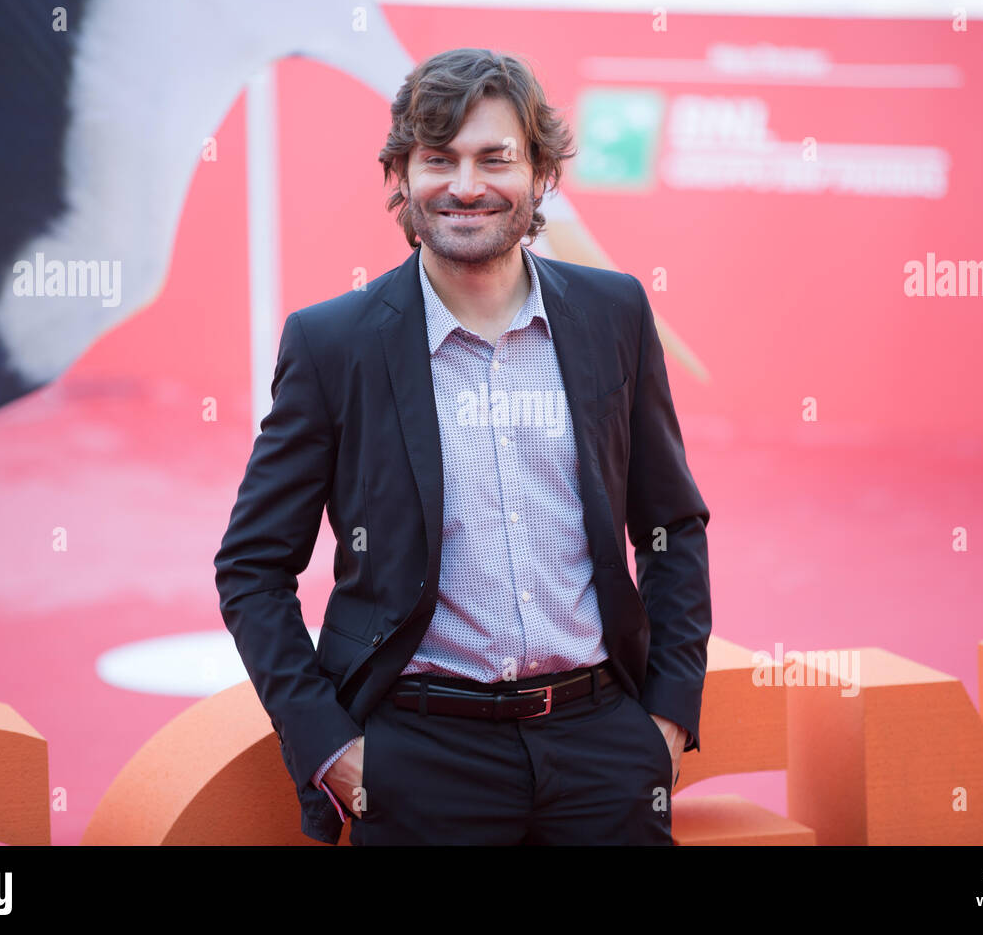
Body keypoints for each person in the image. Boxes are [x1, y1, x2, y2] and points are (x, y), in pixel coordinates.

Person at [214, 47, 711, 845]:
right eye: (438, 159)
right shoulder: (332, 344)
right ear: (401, 178)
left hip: (602, 751)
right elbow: (252, 567)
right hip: (419, 760)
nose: (467, 186)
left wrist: (666, 718)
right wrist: (330, 750)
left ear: (541, 174)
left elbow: (672, 525)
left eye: (496, 158)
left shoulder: (614, 315)